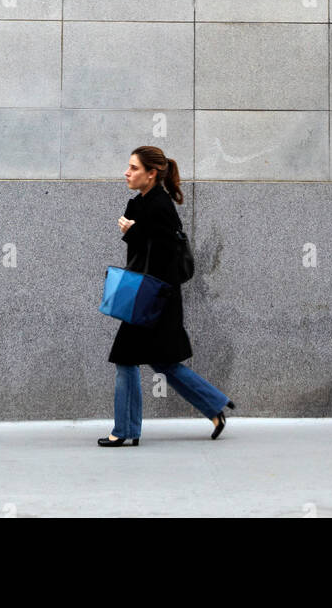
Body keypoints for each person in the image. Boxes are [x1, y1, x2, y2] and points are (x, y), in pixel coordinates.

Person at [100, 146, 235, 446]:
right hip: (147, 296)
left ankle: (124, 431)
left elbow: (163, 259)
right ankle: (214, 406)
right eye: (128, 166)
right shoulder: (140, 204)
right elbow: (140, 255)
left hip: (156, 300)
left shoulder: (161, 206)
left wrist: (132, 232)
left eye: (134, 168)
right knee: (163, 363)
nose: (127, 172)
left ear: (152, 173)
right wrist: (132, 228)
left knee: (128, 358)